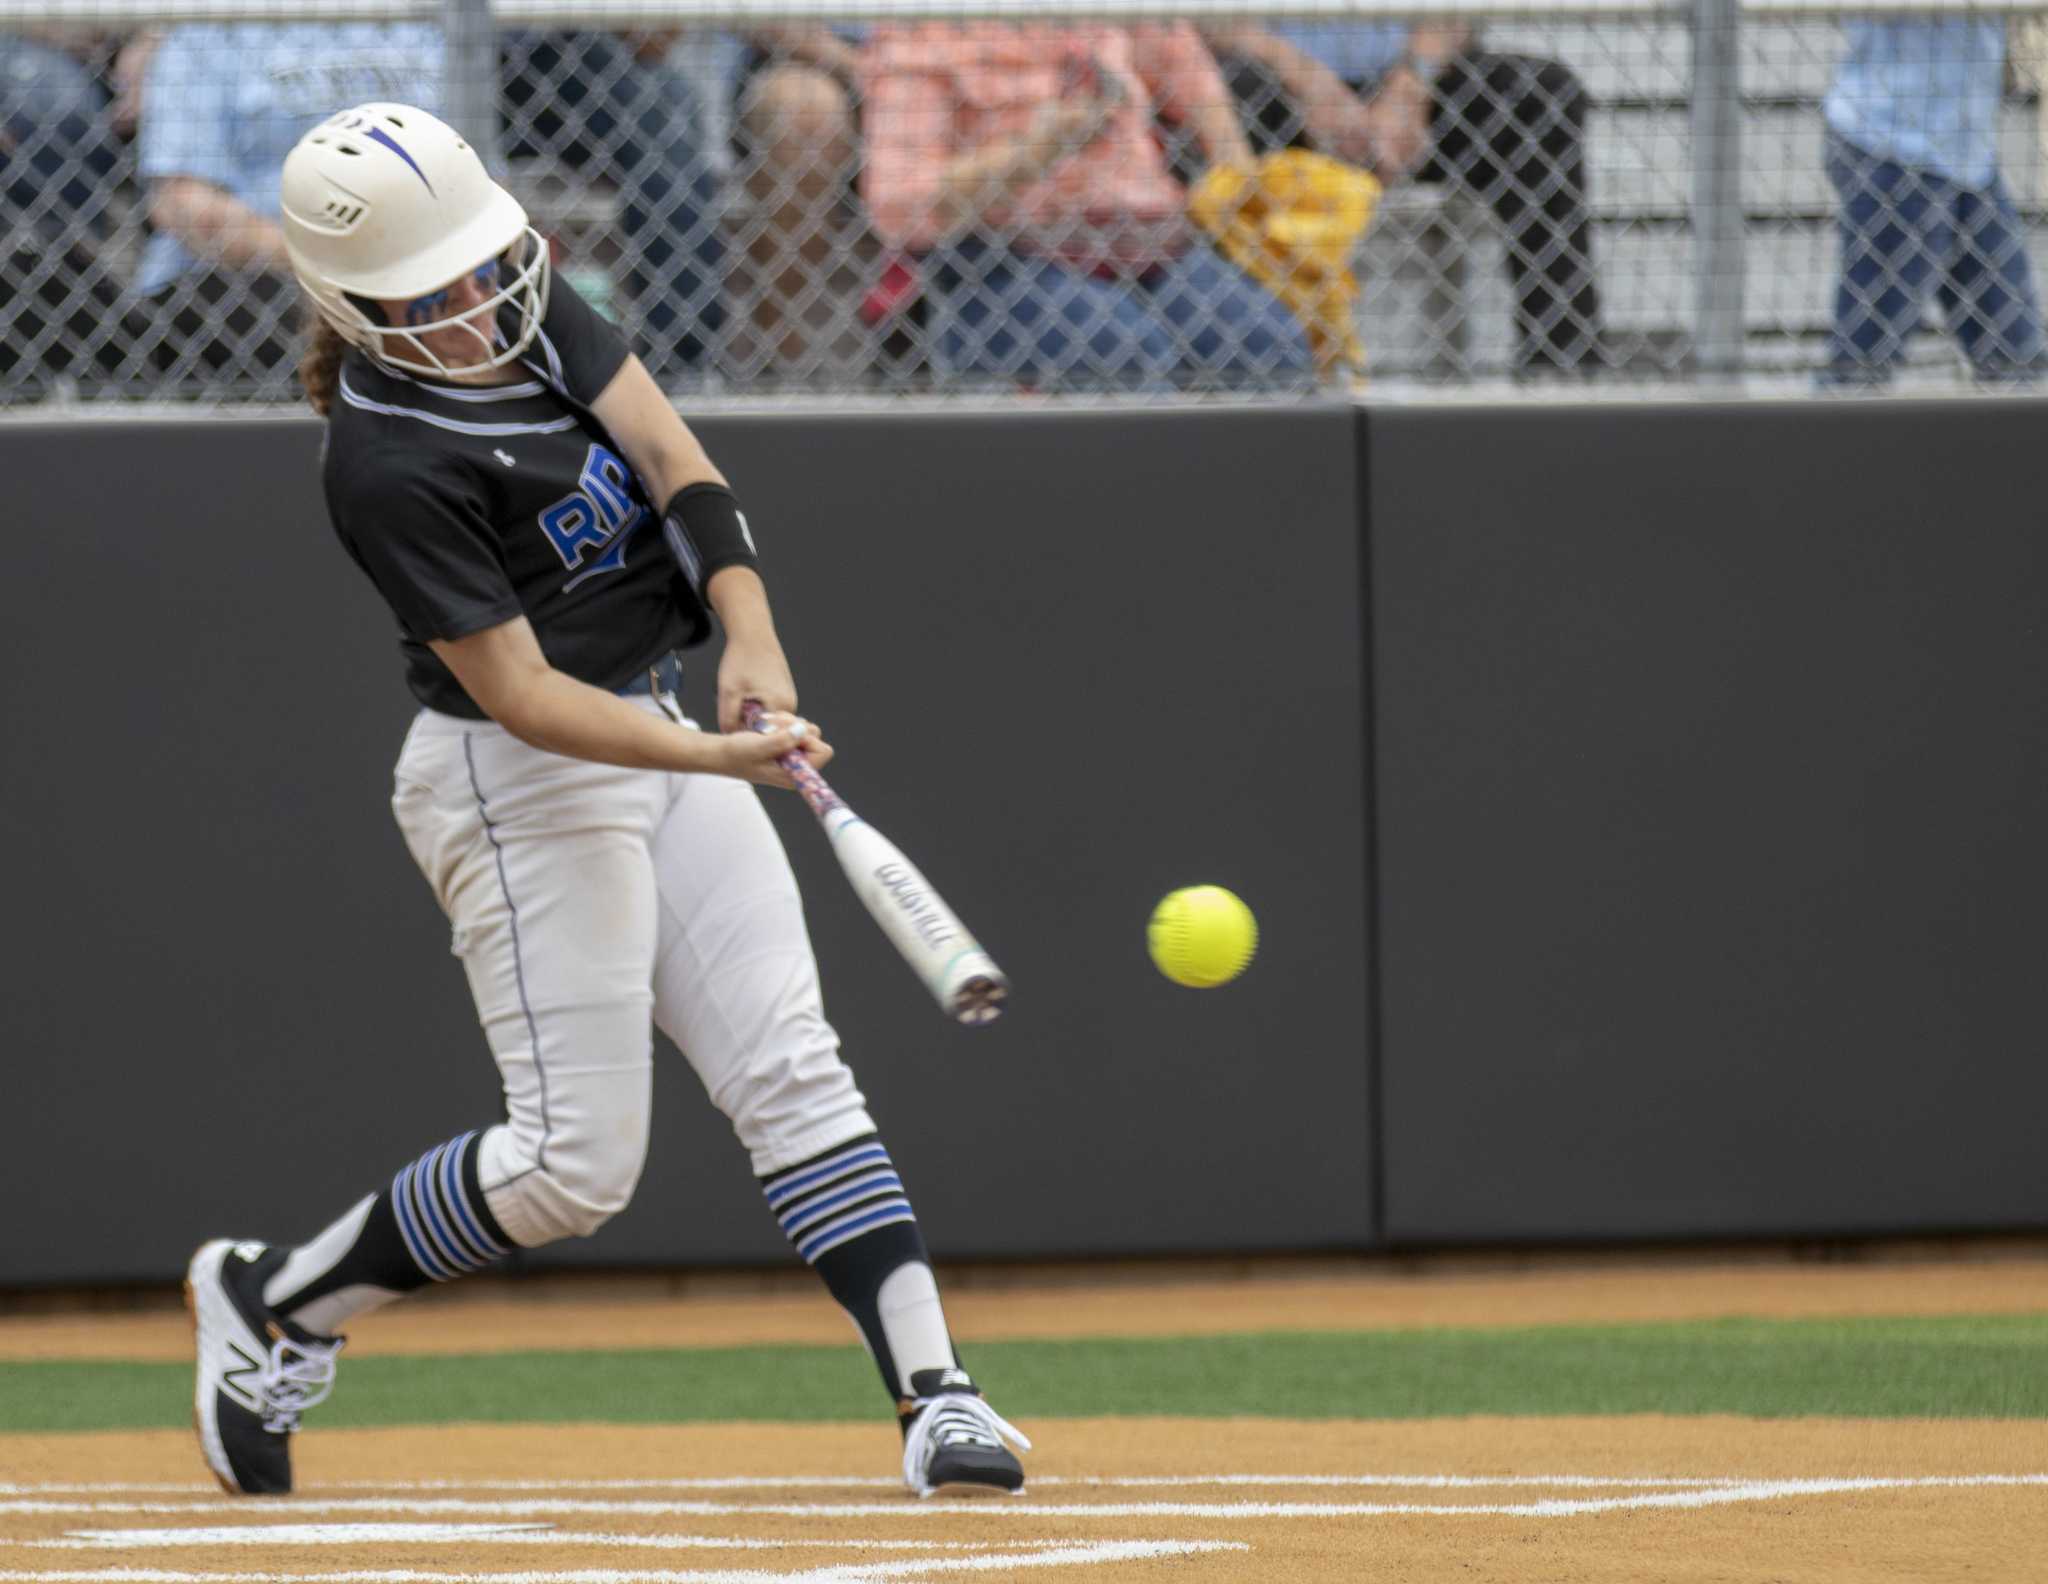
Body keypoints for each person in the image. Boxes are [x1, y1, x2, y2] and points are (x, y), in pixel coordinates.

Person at [183, 102, 1029, 1503]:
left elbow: (676, 464)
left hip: (651, 715)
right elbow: (518, 694)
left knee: (790, 1066)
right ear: (360, 307)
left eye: (477, 267)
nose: (474, 304)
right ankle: (273, 1300)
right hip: (518, 785)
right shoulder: (383, 459)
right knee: (575, 1169)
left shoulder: (530, 310)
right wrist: (716, 760)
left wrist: (747, 636)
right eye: (432, 293)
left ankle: (939, 1396)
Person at [859, 21, 1314, 391]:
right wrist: (1039, 149)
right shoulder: (922, 28)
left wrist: (1236, 172)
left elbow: (1179, 57)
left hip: (1148, 242)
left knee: (1271, 345)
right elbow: (897, 204)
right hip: (1006, 257)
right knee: (1125, 354)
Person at [1202, 21, 1607, 374]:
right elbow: (1201, 18)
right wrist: (1305, 78)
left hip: (1416, 84)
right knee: (1223, 100)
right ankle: (1251, 362)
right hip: (1275, 85)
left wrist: (1413, 83)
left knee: (1543, 92)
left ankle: (1564, 362)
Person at [133, 22, 443, 391]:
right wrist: (333, 261)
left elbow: (473, 180)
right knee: (272, 316)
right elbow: (185, 203)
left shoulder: (419, 27)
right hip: (252, 274)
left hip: (412, 265)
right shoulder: (208, 33)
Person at [1819, 19, 2045, 384]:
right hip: (1894, 145)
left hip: (1966, 152)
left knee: (2017, 359)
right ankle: (1825, 434)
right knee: (1860, 368)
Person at [500, 29, 725, 380]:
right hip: (495, 61)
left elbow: (655, 40)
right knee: (658, 101)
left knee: (670, 95)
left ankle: (680, 361)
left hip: (586, 58)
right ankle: (683, 358)